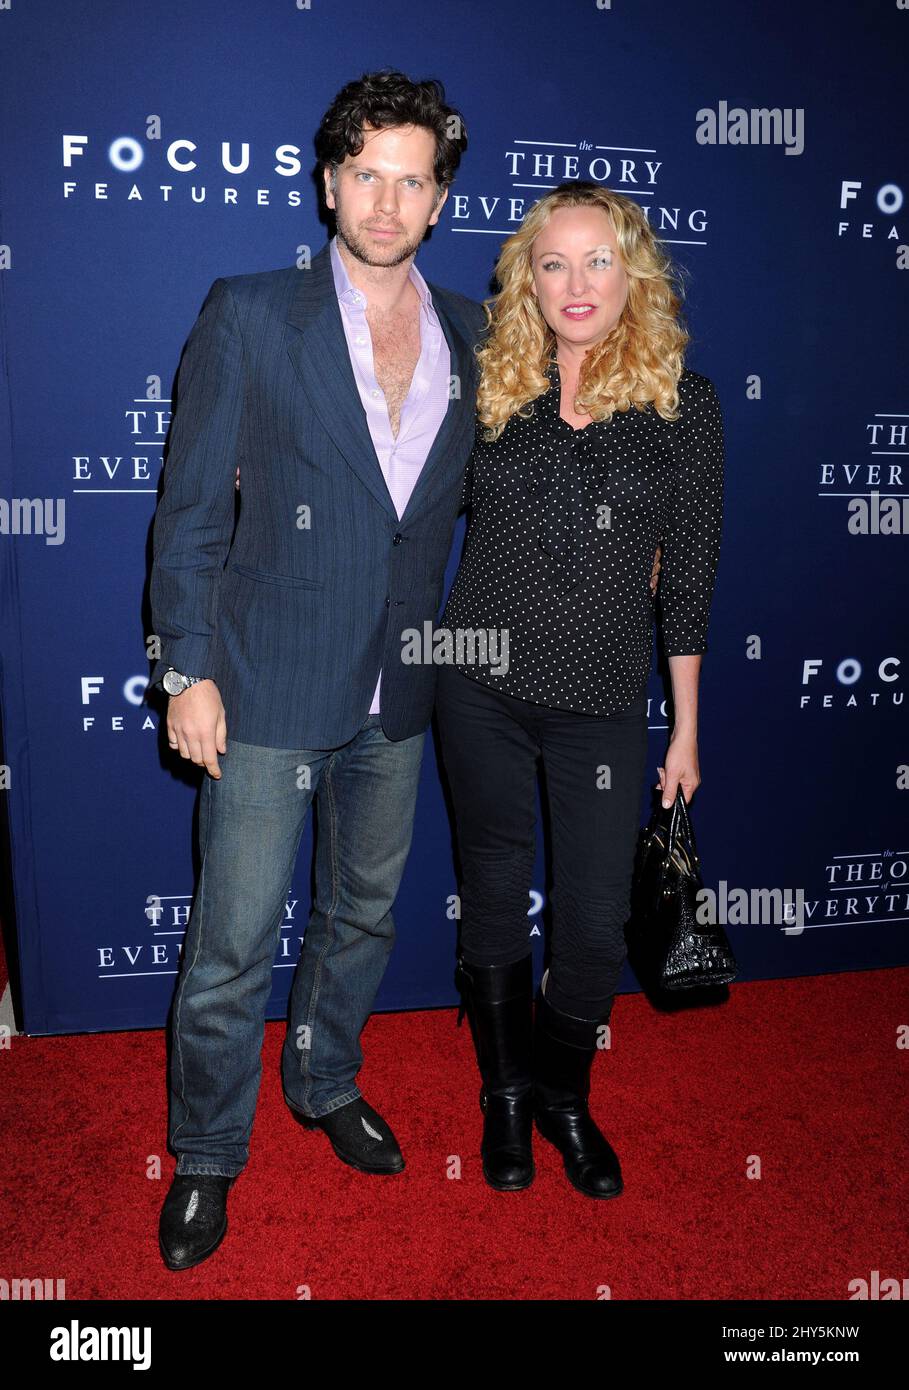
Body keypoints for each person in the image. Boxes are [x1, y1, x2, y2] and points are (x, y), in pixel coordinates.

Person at [149, 70, 485, 1270]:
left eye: (415, 179)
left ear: (440, 200)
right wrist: (185, 666)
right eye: (368, 174)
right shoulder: (251, 311)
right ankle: (204, 1151)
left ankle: (325, 1078)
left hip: (401, 684)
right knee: (233, 938)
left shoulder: (475, 329)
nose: (388, 202)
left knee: (362, 915)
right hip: (266, 676)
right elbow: (188, 511)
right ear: (330, 179)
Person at [434, 182, 725, 1199]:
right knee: (496, 901)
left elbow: (686, 575)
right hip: (478, 686)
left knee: (596, 927)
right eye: (553, 263)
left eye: (597, 260)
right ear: (528, 276)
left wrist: (684, 727)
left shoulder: (683, 401)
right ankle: (505, 1097)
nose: (575, 283)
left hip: (600, 696)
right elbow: (405, 499)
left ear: (632, 271)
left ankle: (563, 1092)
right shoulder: (490, 384)